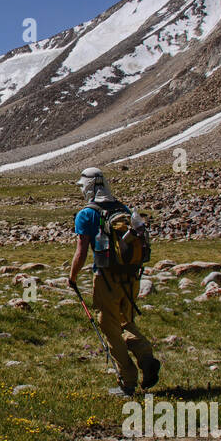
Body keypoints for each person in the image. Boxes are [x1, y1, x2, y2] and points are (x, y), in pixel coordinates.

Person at [67, 166, 160, 396]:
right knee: (126, 322)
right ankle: (146, 357)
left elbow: (81, 251)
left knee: (109, 328)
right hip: (131, 278)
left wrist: (72, 276)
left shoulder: (87, 214)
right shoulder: (122, 209)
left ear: (88, 187)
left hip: (106, 278)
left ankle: (127, 381)